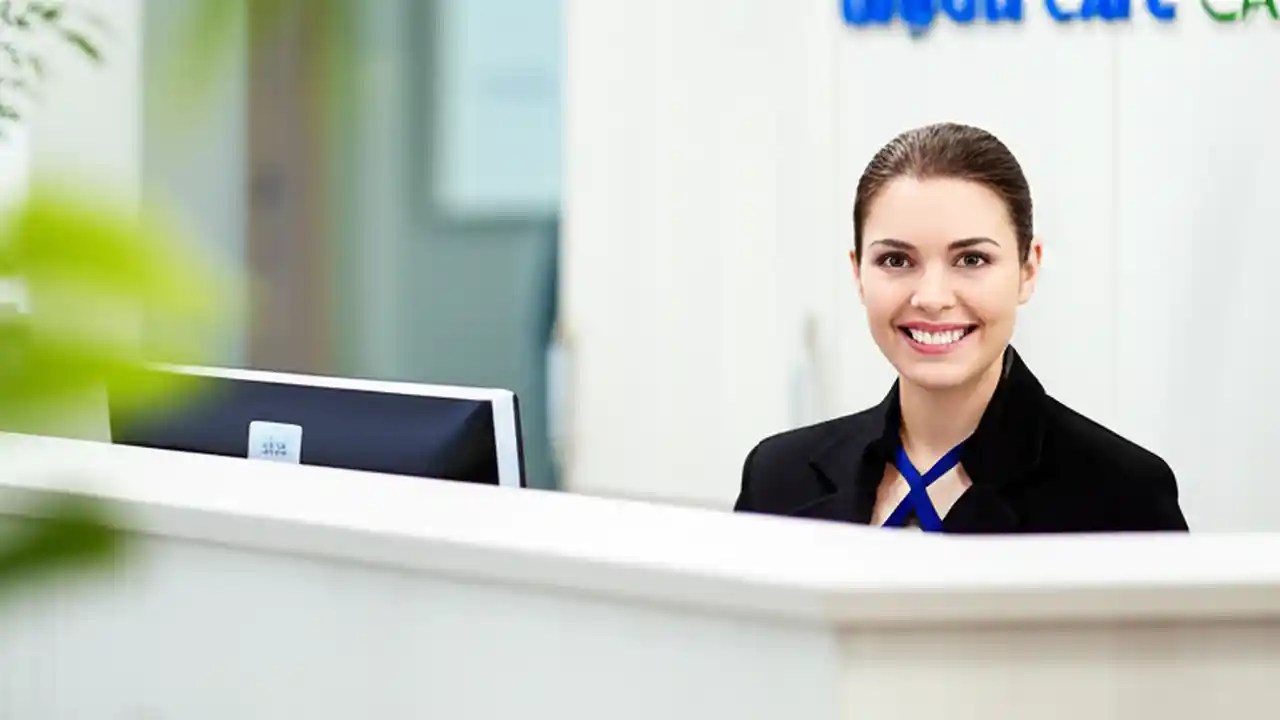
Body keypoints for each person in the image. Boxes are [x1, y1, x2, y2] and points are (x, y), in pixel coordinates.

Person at [735, 122, 1188, 533]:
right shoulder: (778, 478)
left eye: (971, 259)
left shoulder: (1122, 494)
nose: (932, 297)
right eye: (896, 260)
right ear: (858, 273)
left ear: (1028, 269)